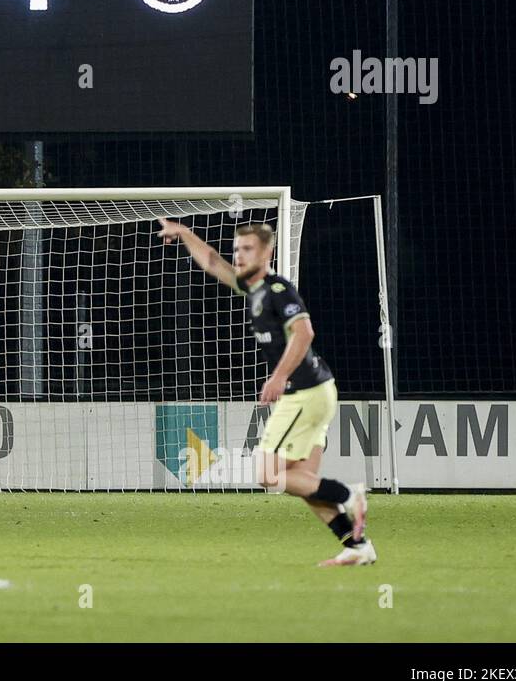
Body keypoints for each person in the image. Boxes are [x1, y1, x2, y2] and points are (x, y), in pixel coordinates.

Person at [157, 218, 376, 566]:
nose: (239, 256)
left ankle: (350, 494)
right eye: (237, 249)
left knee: (269, 475)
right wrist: (184, 233)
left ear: (266, 252)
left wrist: (277, 377)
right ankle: (356, 545)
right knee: (303, 482)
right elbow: (214, 263)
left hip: (304, 392)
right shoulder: (252, 288)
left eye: (247, 249)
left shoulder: (277, 290)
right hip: (316, 391)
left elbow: (304, 333)